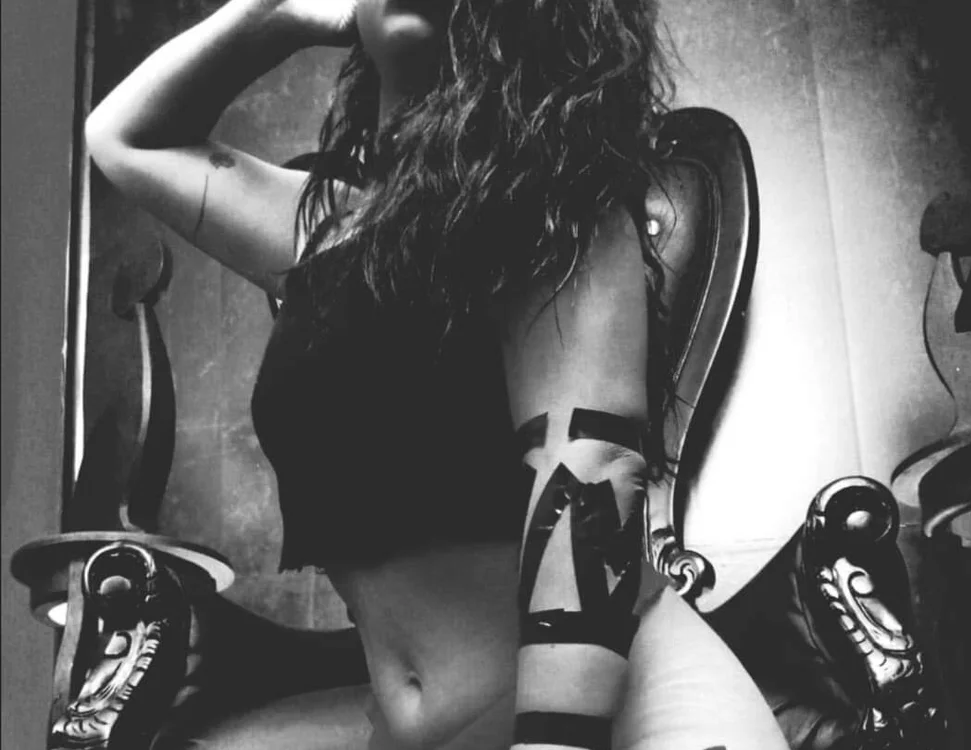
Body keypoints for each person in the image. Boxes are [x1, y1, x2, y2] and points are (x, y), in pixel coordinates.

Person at [86, 1, 789, 748]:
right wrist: (275, 13)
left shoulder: (555, 197)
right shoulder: (322, 234)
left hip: (621, 714)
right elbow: (123, 139)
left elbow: (589, 468)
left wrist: (552, 743)